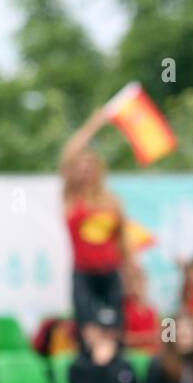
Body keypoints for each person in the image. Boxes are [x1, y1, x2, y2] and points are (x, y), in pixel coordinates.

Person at [60, 108, 142, 327]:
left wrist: (132, 270)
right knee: (87, 329)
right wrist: (93, 124)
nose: (86, 170)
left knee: (114, 329)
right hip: (84, 274)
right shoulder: (71, 198)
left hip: (111, 273)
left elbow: (123, 241)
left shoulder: (112, 201)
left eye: (90, 166)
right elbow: (68, 155)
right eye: (81, 166)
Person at [122, 266, 161, 352]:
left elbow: (160, 336)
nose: (138, 287)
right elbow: (123, 337)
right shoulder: (124, 309)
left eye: (141, 282)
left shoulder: (152, 309)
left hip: (152, 356)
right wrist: (147, 337)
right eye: (133, 283)